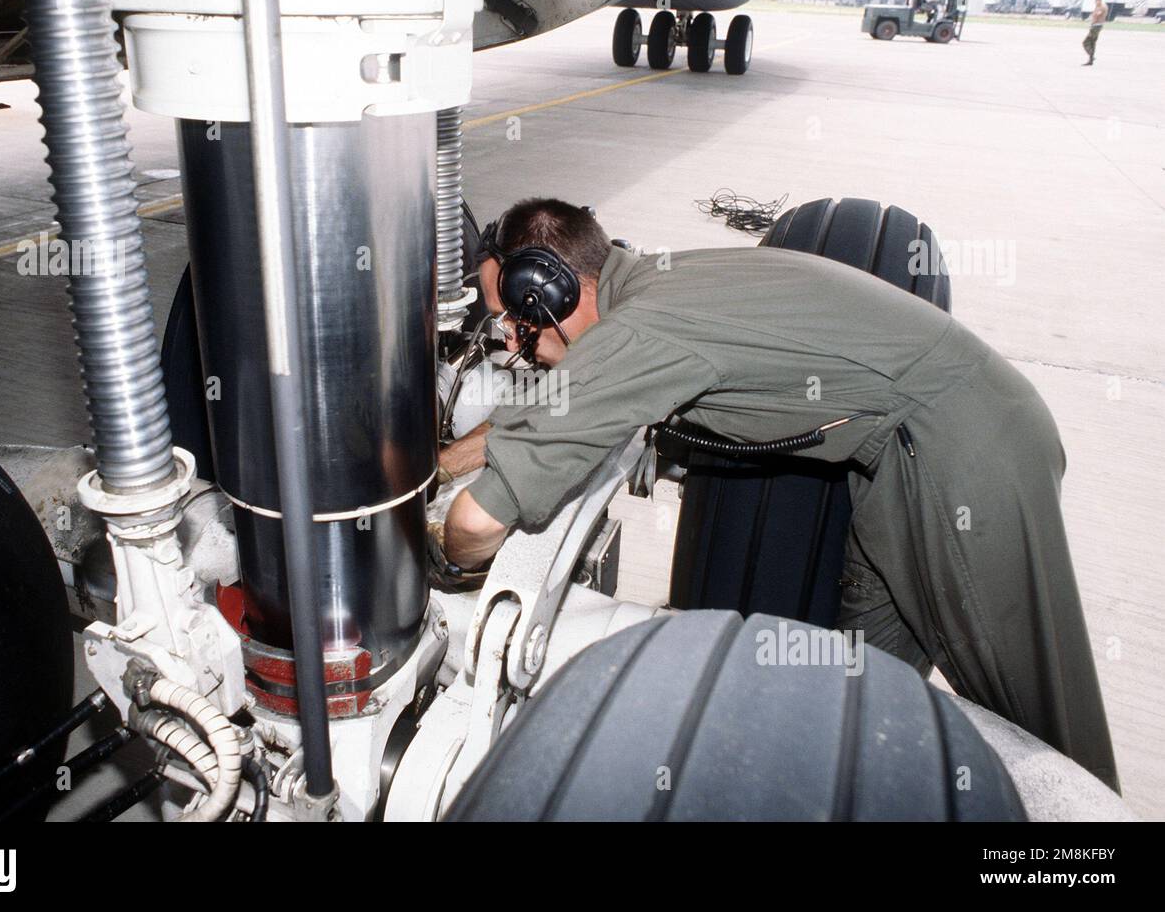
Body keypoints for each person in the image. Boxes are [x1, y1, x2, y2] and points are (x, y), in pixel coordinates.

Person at [436, 197, 1119, 791]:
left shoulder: (643, 331)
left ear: (553, 291)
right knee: (854, 695)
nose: (513, 344)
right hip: (895, 459)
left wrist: (445, 557)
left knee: (1042, 729)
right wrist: (444, 464)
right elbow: (551, 407)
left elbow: (476, 522)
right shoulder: (648, 286)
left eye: (516, 321)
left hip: (965, 448)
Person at [1083, 0, 1108, 65]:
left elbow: (1097, 15)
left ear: (1099, 1)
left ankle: (1091, 56)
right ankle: (1090, 60)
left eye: (1096, 1)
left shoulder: (1102, 7)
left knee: (1086, 42)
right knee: (1092, 43)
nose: (1095, 2)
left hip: (1096, 26)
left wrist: (1092, 22)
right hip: (1096, 26)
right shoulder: (1099, 6)